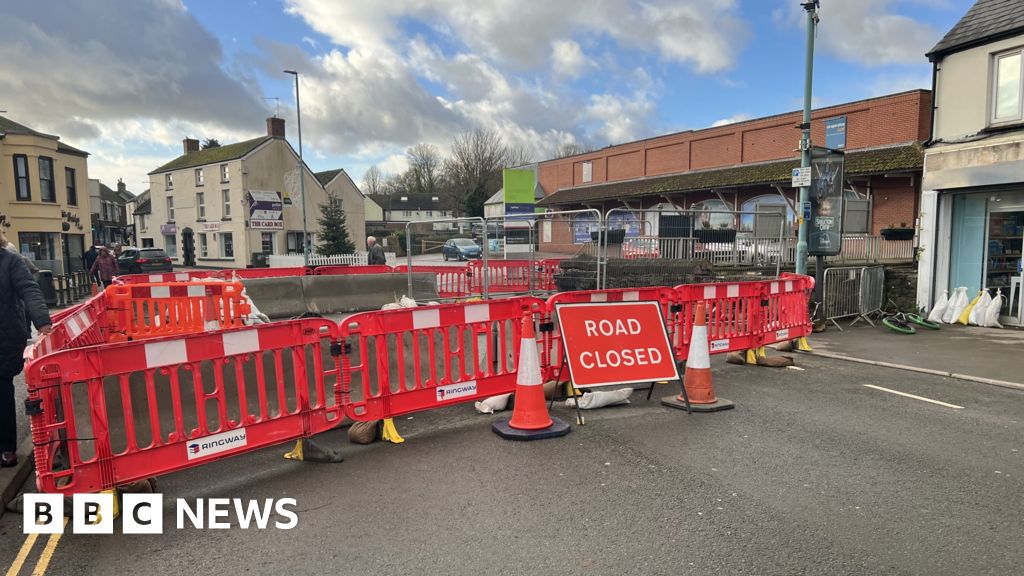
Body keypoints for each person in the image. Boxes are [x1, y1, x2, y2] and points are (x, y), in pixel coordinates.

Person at [0, 231, 51, 467]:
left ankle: (7, 447)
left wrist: (42, 322)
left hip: (4, 334)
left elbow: (29, 289)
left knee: (1, 390)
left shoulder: (10, 261)